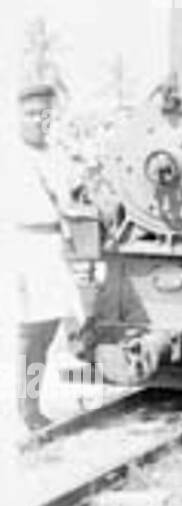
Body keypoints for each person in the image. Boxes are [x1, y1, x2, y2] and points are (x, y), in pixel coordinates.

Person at [4, 83, 87, 430]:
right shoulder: (10, 155)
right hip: (20, 246)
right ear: (17, 116)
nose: (39, 121)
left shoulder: (57, 156)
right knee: (28, 333)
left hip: (53, 248)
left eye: (45, 114)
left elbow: (71, 200)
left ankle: (38, 401)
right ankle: (27, 408)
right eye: (32, 114)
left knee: (52, 329)